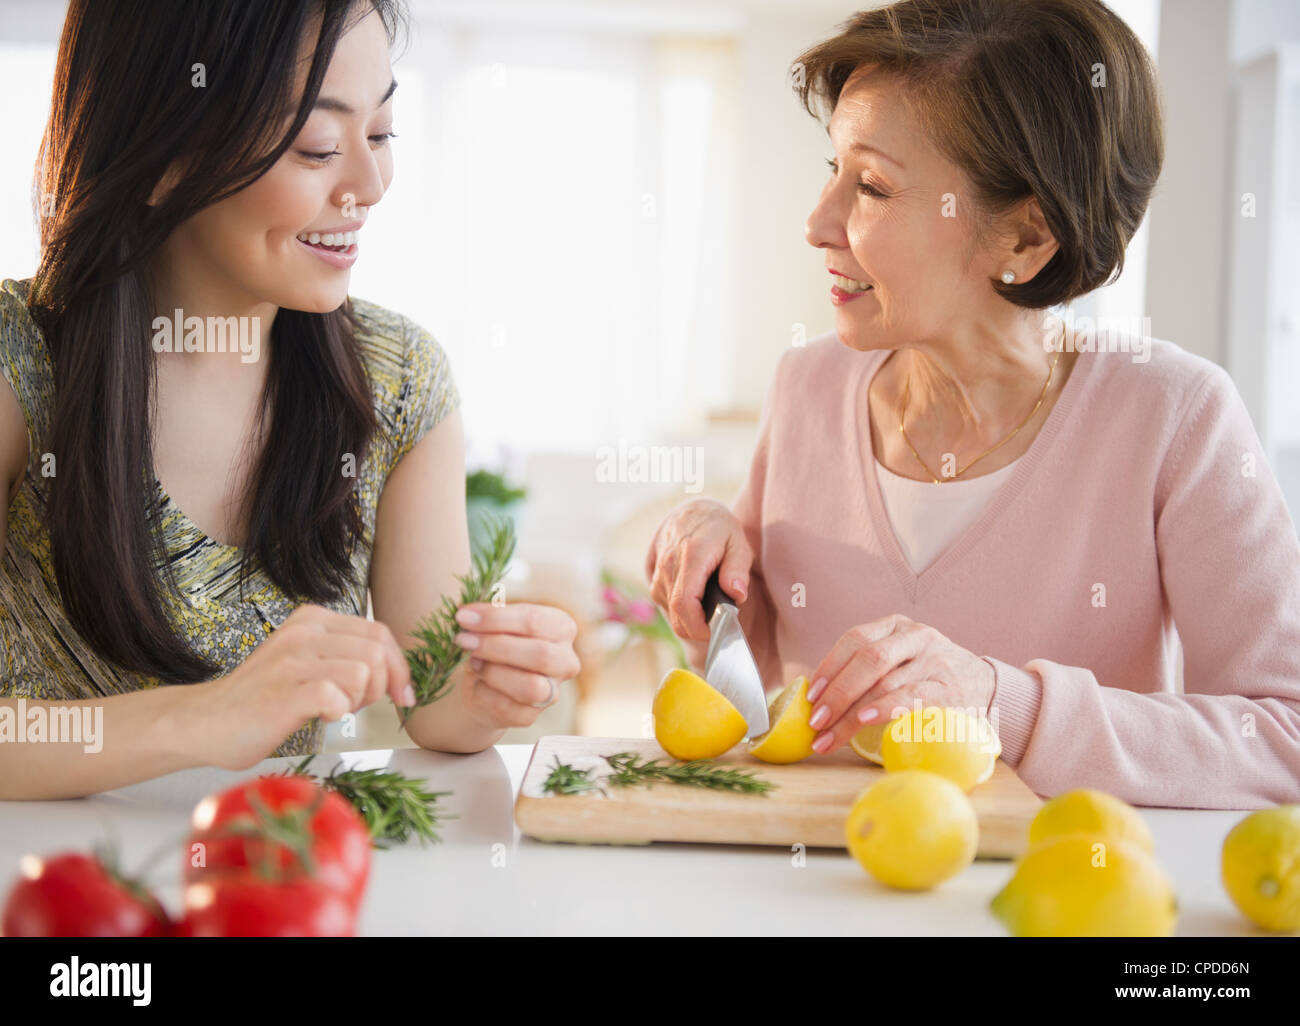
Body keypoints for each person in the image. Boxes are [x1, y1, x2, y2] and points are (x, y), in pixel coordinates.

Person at [646, 0, 1300, 808]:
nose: (818, 224)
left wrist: (1001, 705)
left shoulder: (1174, 417)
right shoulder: (808, 386)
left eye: (874, 187)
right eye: (834, 172)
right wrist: (708, 551)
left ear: (1026, 239)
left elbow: (1282, 737)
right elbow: (761, 695)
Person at [0, 0, 579, 800]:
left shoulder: (399, 379)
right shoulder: (17, 363)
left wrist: (485, 693)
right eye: (319, 146)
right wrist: (199, 720)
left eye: (380, 134)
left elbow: (435, 700)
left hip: (275, 883)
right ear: (164, 151)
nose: (369, 186)